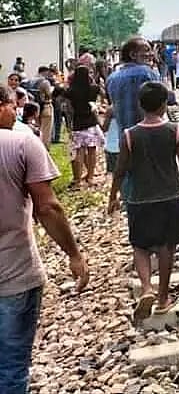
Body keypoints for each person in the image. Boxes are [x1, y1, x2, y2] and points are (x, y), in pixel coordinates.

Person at [0, 84, 89, 393]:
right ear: (1, 106)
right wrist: (74, 253)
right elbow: (48, 207)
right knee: (10, 368)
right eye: (12, 105)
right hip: (13, 274)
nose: (15, 112)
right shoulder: (22, 144)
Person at [108, 82, 179, 322]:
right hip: (170, 195)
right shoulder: (176, 131)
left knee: (140, 245)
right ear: (164, 105)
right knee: (166, 246)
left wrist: (112, 197)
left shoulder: (129, 135)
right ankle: (162, 299)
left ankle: (146, 288)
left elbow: (120, 170)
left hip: (138, 199)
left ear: (140, 105)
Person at [65, 65, 104, 188]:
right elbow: (103, 93)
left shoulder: (71, 91)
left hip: (78, 123)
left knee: (79, 152)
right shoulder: (93, 88)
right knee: (92, 151)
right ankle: (90, 177)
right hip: (91, 122)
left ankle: (78, 180)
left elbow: (67, 106)